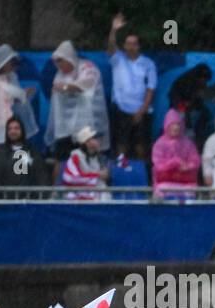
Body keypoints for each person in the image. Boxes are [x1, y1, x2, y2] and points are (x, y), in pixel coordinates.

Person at [45, 40, 108, 164]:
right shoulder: (59, 74)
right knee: (62, 160)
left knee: (87, 160)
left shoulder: (88, 67)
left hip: (88, 127)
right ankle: (59, 183)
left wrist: (64, 87)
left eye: (60, 61)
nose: (58, 65)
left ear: (69, 58)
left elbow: (85, 86)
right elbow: (56, 92)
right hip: (64, 129)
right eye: (56, 62)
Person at [105, 14, 156, 167]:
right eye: (127, 44)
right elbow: (110, 48)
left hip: (142, 111)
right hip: (121, 110)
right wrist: (113, 30)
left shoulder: (148, 63)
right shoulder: (118, 59)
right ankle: (122, 175)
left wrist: (141, 111)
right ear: (124, 46)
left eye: (134, 44)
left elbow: (151, 88)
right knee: (121, 146)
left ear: (139, 46)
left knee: (141, 147)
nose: (130, 46)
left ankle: (141, 180)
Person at [0, 116, 49, 194]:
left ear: (22, 130)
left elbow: (41, 178)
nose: (13, 131)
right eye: (10, 129)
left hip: (25, 202)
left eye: (16, 128)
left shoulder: (33, 153)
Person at [151, 109, 200, 196]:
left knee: (190, 192)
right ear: (167, 126)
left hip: (185, 180)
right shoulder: (159, 143)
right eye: (172, 124)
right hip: (165, 180)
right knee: (161, 191)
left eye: (178, 124)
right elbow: (158, 165)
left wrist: (187, 167)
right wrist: (174, 162)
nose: (176, 127)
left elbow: (195, 161)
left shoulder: (188, 143)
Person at [60, 125, 109, 200]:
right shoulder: (75, 156)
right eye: (95, 138)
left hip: (98, 197)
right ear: (87, 142)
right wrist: (97, 175)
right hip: (79, 198)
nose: (99, 141)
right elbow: (70, 178)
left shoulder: (99, 158)